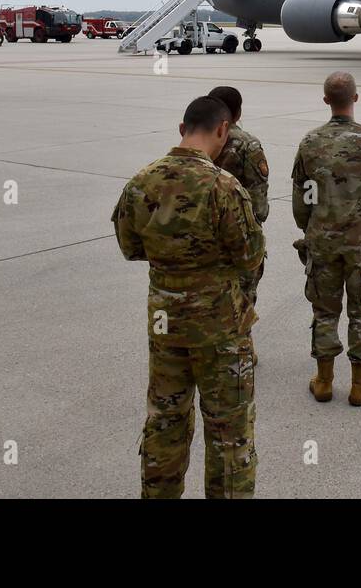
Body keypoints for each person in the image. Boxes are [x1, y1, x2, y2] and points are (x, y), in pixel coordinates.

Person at [111, 96, 263, 498]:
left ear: (182, 129)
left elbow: (130, 247)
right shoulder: (224, 187)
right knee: (229, 433)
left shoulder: (142, 181)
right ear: (222, 130)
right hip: (221, 330)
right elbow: (250, 256)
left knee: (165, 422)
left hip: (166, 324)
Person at [293, 72, 361, 406]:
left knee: (324, 310)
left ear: (326, 100)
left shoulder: (310, 142)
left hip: (322, 241)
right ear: (356, 98)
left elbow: (302, 195)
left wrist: (309, 229)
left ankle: (324, 381)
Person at [208, 86, 270, 332]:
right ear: (238, 112)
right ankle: (241, 347)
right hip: (240, 232)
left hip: (206, 231)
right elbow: (258, 196)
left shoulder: (201, 138)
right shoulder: (248, 144)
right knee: (243, 295)